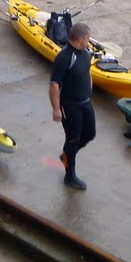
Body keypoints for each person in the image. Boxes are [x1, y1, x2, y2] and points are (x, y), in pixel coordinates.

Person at [49, 21, 97, 190]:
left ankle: (67, 155)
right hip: (70, 106)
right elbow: (54, 85)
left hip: (85, 102)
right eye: (88, 38)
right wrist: (56, 109)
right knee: (72, 139)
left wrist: (89, 91)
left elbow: (87, 72)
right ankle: (69, 176)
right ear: (79, 39)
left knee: (90, 133)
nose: (89, 41)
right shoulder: (64, 58)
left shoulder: (85, 53)